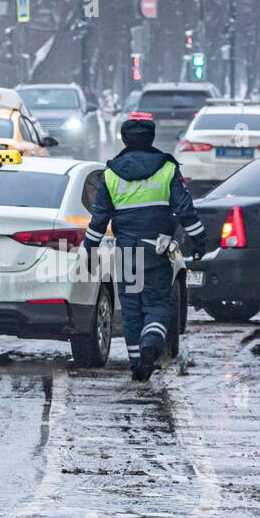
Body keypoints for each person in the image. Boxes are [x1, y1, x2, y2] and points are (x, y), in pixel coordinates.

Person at [83, 112, 207, 381]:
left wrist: (88, 249)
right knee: (157, 303)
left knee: (131, 309)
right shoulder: (167, 169)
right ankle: (152, 341)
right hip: (157, 250)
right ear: (150, 137)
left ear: (125, 139)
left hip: (126, 252)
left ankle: (139, 365)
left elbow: (99, 218)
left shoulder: (111, 174)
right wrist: (199, 241)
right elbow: (185, 210)